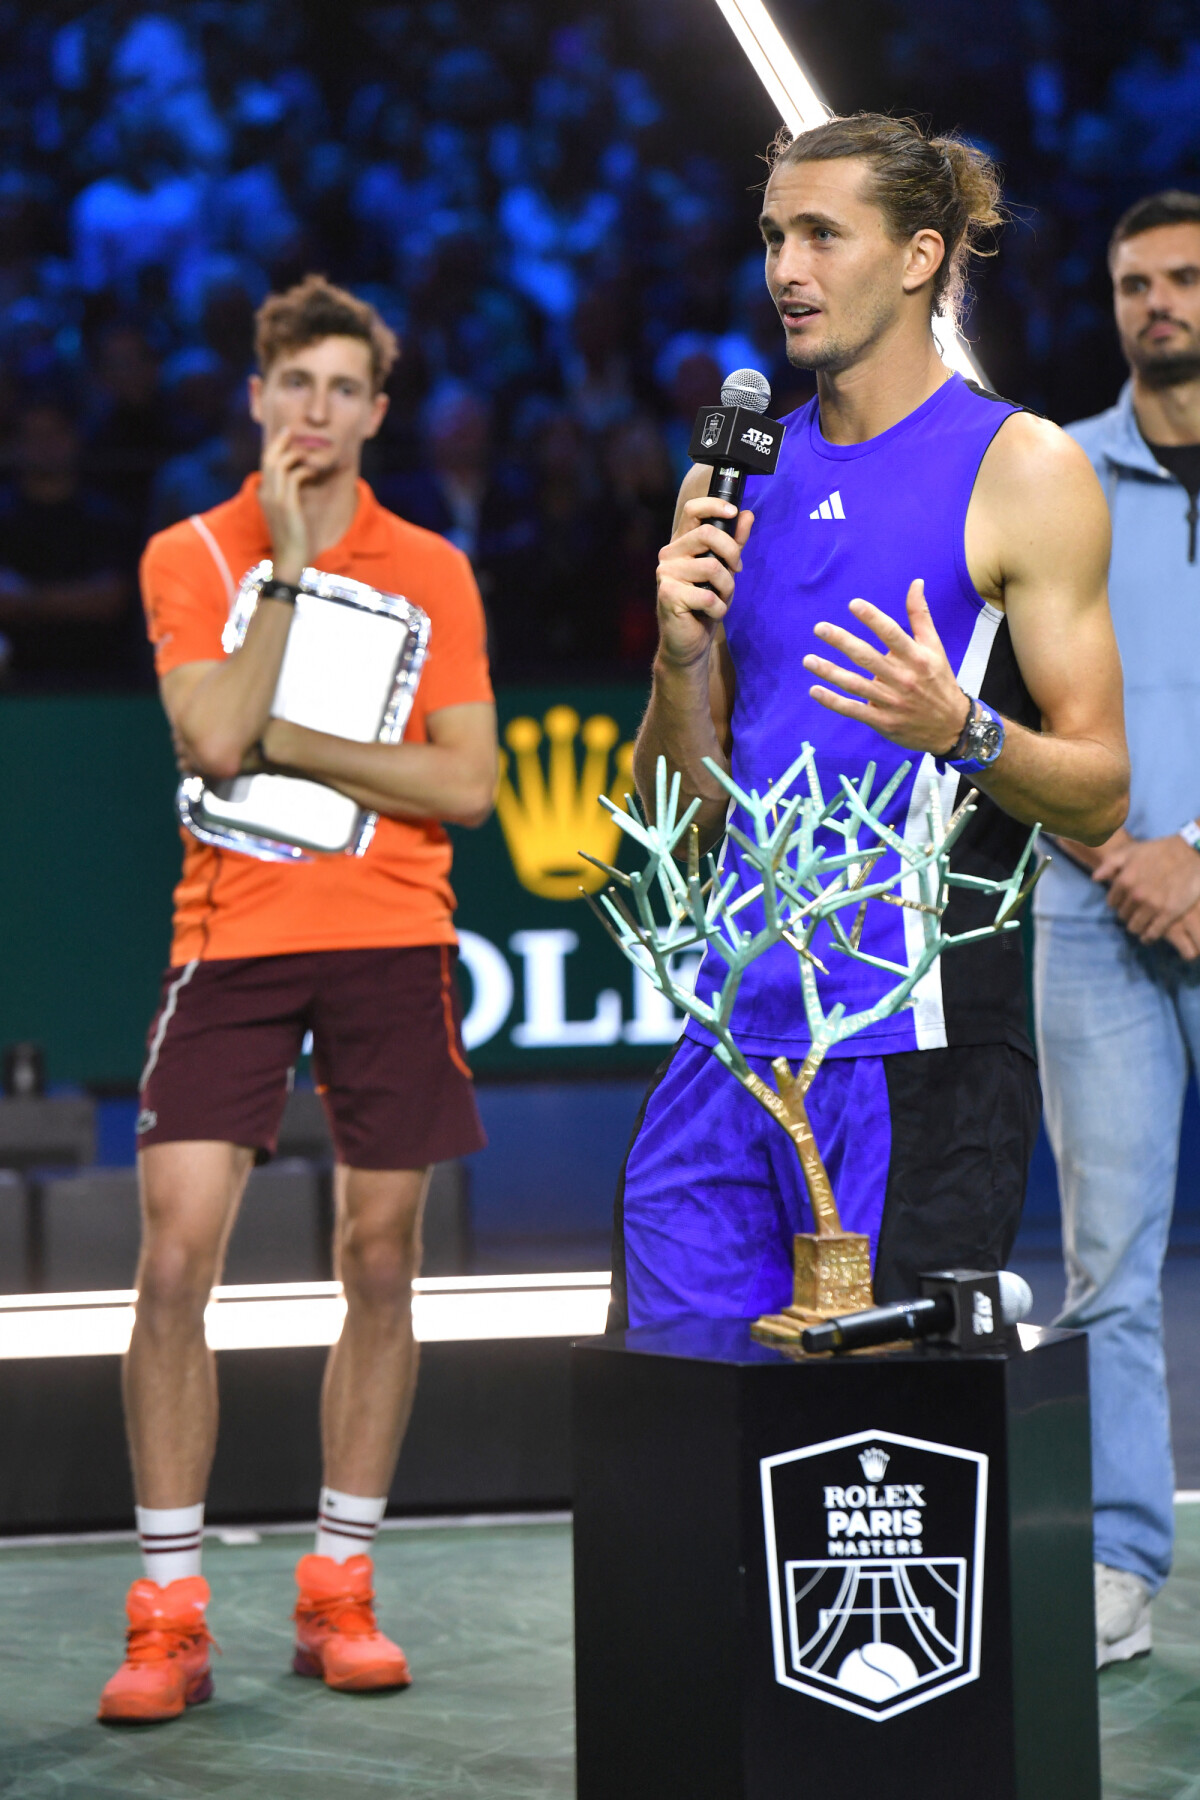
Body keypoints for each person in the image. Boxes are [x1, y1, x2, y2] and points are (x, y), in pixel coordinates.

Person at [609, 114, 1128, 1337]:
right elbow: (674, 832)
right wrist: (678, 661)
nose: (786, 268)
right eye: (775, 236)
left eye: (822, 235)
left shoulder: (1025, 468)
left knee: (876, 1452)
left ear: (918, 257)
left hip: (921, 1031)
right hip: (738, 1026)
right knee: (683, 1405)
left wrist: (965, 729)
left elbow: (1102, 788)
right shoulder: (729, 485)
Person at [98, 275, 497, 1724]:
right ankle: (168, 1616)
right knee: (171, 1263)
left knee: (381, 1259)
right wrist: (277, 571)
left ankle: (340, 1591)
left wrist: (299, 741)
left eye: (344, 388)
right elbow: (210, 737)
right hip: (234, 943)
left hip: (392, 934)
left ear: (377, 410)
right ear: (256, 400)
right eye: (295, 386)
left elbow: (470, 783)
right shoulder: (189, 554)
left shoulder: (434, 568)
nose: (317, 411)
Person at [1034, 189, 1200, 1668]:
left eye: (1188, 280)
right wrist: (1126, 855)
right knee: (1108, 1266)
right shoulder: (1057, 477)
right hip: (1091, 909)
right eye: (1137, 284)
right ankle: (1119, 1559)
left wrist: (1196, 855)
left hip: (1178, 878)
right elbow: (1007, 720)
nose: (1160, 304)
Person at [0, 396, 134, 687]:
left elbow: (109, 600)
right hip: (12, 684)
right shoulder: (4, 516)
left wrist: (27, 600)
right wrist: (74, 599)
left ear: (74, 439)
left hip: (100, 681)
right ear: (15, 444)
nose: (43, 445)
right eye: (32, 435)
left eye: (53, 434)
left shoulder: (107, 517)